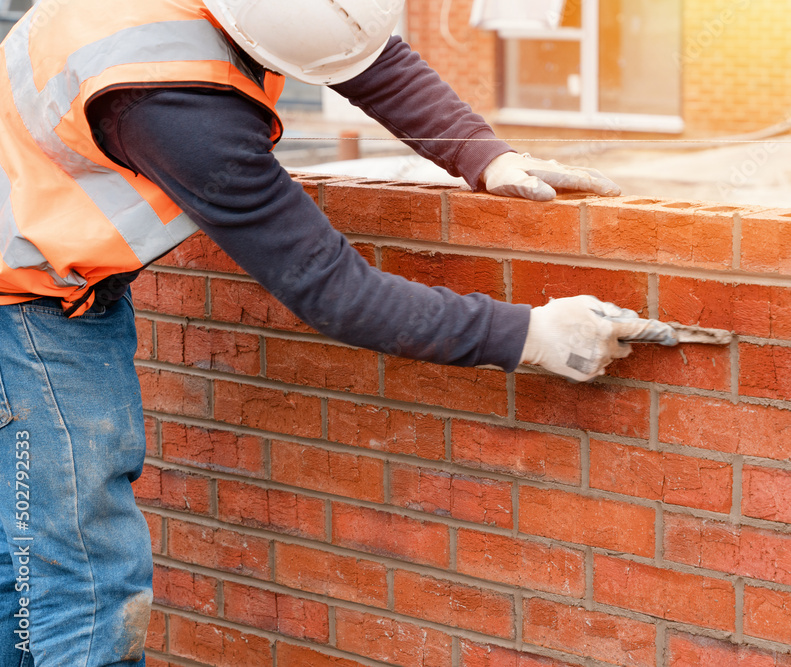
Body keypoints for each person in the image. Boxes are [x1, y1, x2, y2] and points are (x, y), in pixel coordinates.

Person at [0, 0, 718, 664]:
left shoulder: (256, 10)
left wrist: (483, 153)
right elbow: (334, 291)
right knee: (87, 581)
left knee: (22, 560)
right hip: (25, 302)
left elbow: (362, 55)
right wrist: (528, 333)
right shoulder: (177, 108)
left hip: (40, 270)